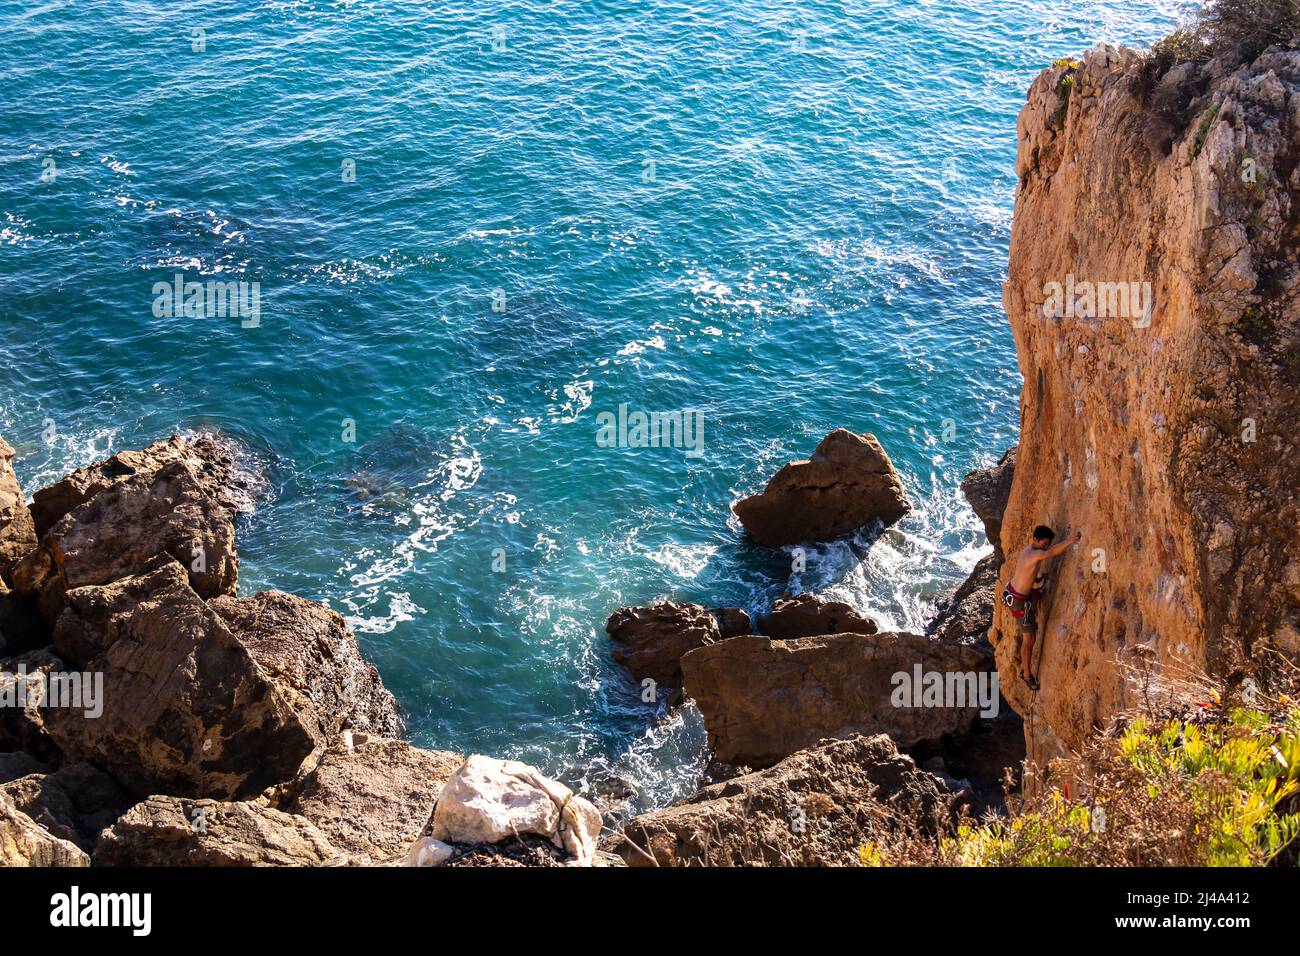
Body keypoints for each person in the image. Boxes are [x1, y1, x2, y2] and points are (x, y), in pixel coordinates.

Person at [1002, 524, 1081, 690]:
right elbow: (1051, 553)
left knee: (1037, 594)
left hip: (1015, 591)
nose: (1045, 547)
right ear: (1036, 540)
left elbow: (1026, 573)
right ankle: (1026, 674)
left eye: (1047, 544)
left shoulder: (1027, 551)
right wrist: (1070, 541)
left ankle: (1035, 599)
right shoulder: (1035, 554)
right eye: (1044, 544)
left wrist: (1036, 581)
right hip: (1019, 602)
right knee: (1029, 639)